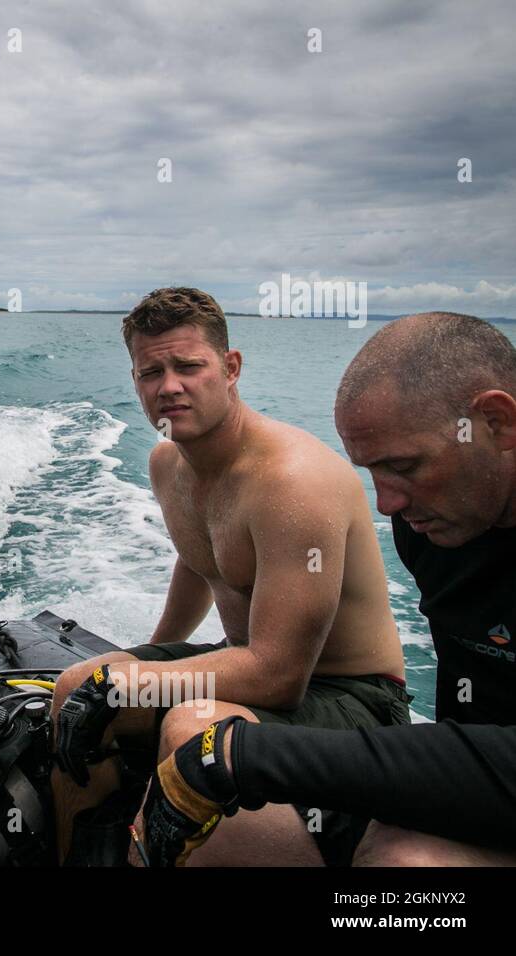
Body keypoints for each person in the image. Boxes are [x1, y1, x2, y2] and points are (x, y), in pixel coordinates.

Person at [50, 287, 410, 866]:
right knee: (76, 686)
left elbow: (279, 676)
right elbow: (200, 560)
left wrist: (129, 684)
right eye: (151, 372)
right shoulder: (168, 461)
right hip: (247, 659)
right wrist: (137, 660)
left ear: (231, 367)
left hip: (348, 694)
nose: (169, 386)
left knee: (193, 726)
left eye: (189, 366)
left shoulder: (292, 482)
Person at [142, 312, 516, 866]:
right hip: (478, 786)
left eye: (404, 466)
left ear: (496, 421)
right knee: (234, 834)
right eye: (372, 472)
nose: (386, 503)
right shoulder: (437, 525)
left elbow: (279, 676)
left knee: (407, 868)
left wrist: (248, 755)